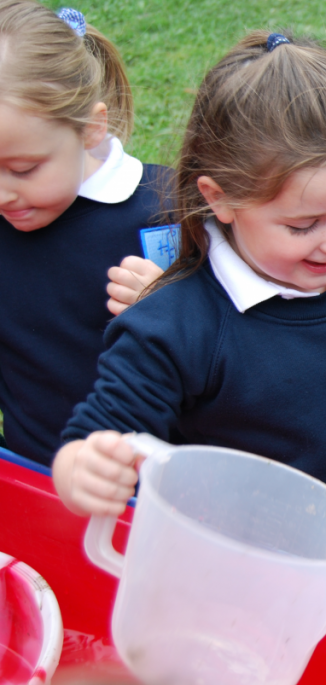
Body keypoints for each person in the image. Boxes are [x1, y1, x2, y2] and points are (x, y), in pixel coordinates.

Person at [52, 31, 326, 524]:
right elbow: (97, 435)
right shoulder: (175, 326)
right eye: (302, 225)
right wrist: (83, 469)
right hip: (265, 581)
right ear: (220, 197)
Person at [0, 1, 171, 465]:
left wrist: (174, 306)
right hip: (34, 478)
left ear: (91, 128)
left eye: (23, 168)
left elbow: (252, 340)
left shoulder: (167, 209)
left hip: (153, 489)